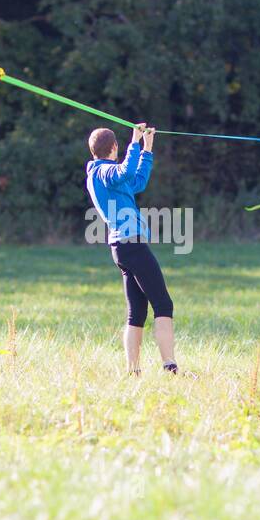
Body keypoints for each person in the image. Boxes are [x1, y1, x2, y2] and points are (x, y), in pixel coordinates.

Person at [84, 122, 180, 376]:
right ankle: (170, 366)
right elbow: (125, 171)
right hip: (130, 244)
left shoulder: (106, 175)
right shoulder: (103, 172)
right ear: (114, 147)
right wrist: (134, 142)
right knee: (163, 304)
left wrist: (146, 148)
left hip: (123, 247)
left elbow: (136, 182)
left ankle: (133, 371)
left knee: (137, 311)